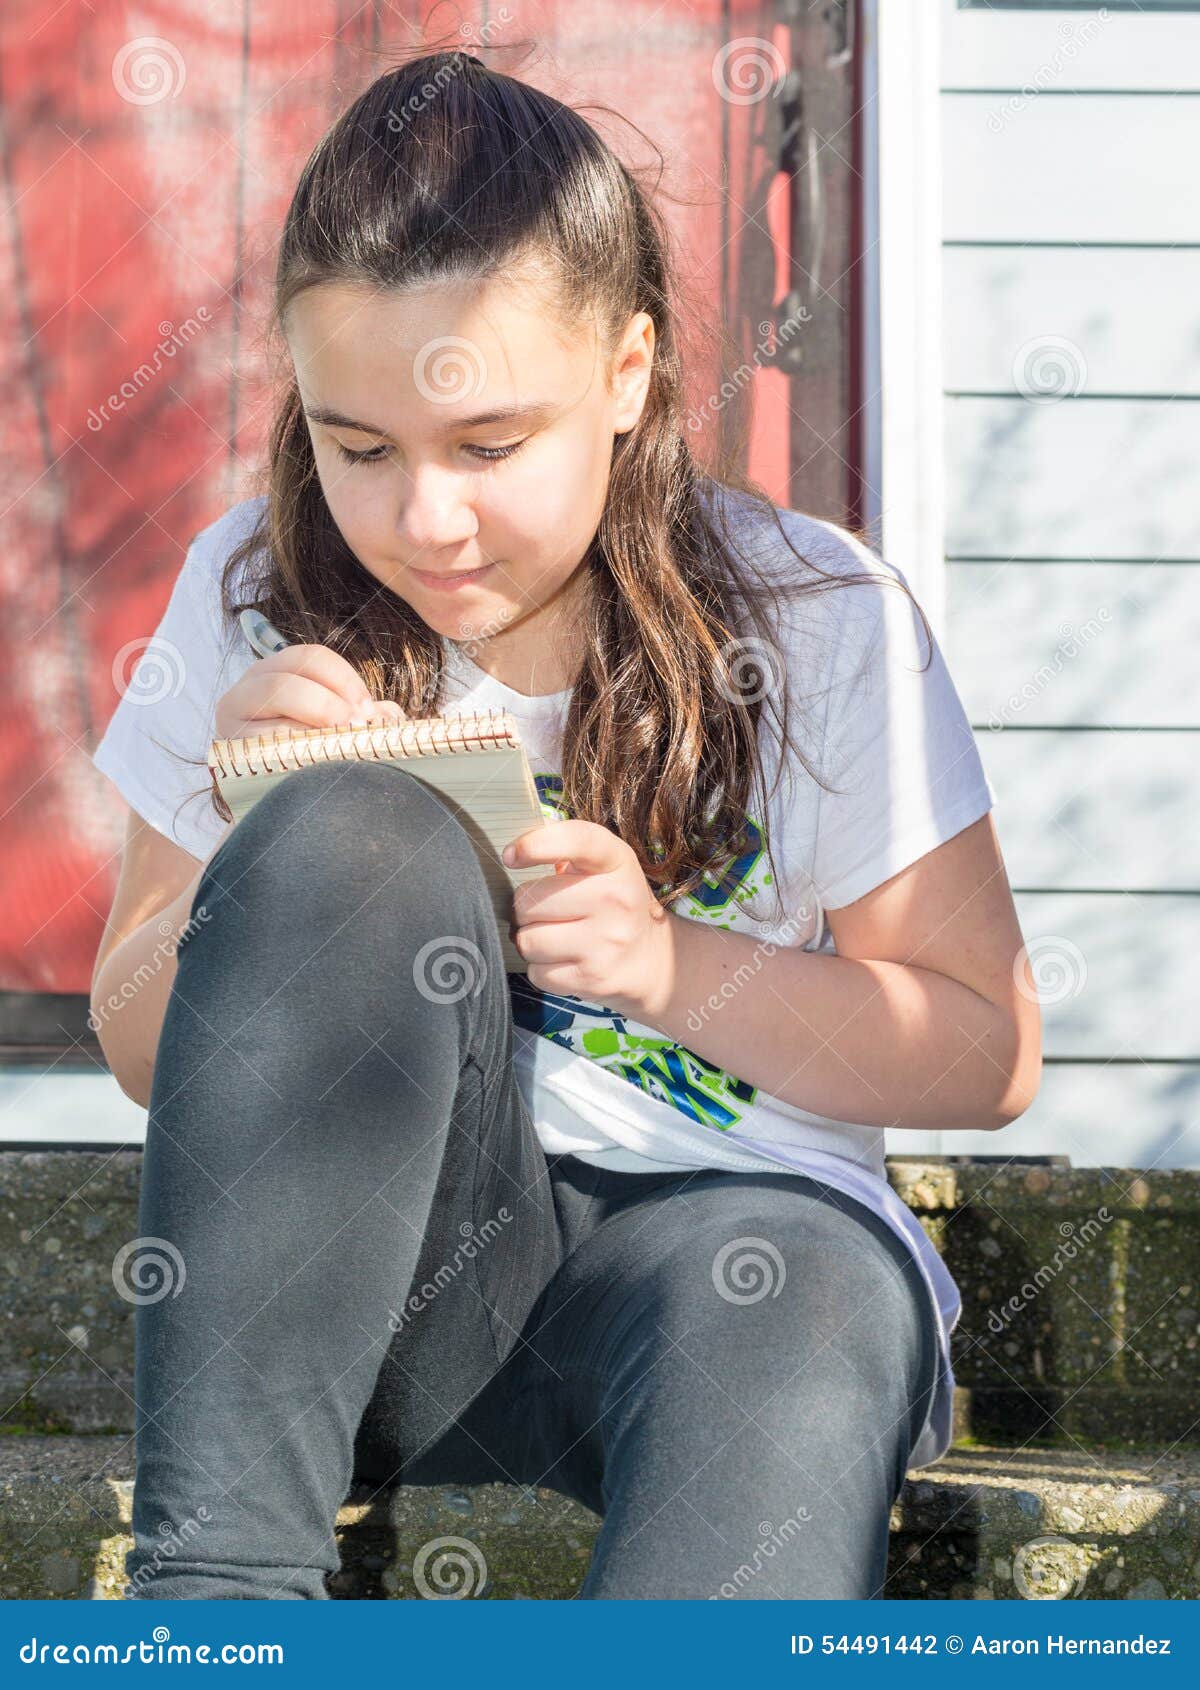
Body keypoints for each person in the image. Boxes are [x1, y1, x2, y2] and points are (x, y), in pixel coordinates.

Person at [88, 49, 1040, 1602]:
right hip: (363, 1292)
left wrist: (675, 970)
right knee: (347, 837)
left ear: (630, 373)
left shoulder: (822, 616)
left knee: (801, 1293)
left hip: (729, 1279)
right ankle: (214, 1612)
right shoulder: (249, 585)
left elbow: (985, 1048)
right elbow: (137, 1040)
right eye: (359, 448)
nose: (424, 522)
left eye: (487, 445)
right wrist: (245, 847)